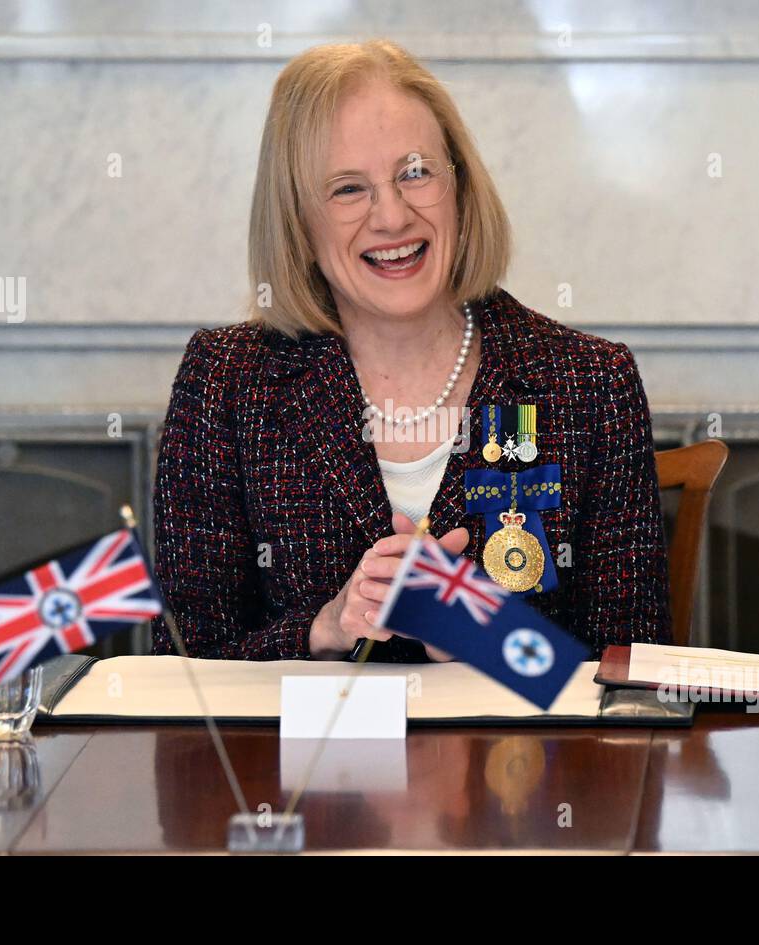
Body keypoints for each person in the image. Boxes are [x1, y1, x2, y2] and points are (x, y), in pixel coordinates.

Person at [152, 39, 669, 662]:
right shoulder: (226, 381)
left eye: (416, 172)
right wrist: (327, 627)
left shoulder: (587, 382)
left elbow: (637, 672)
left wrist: (483, 638)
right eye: (347, 189)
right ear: (296, 220)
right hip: (297, 763)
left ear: (460, 184)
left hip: (516, 763)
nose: (391, 217)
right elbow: (182, 670)